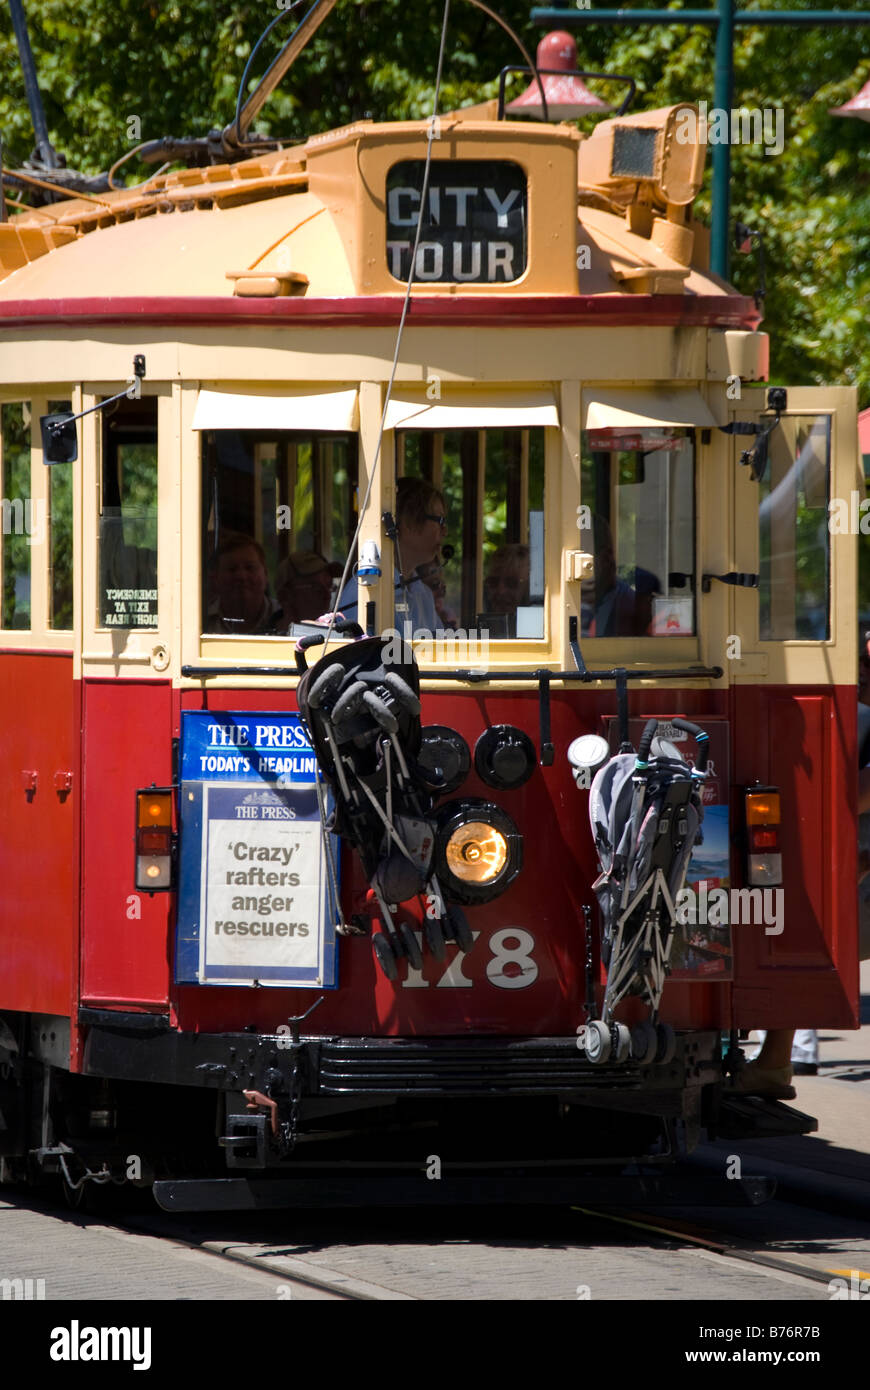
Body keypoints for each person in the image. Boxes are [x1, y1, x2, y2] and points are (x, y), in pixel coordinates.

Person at [337, 476, 445, 632]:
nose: (445, 531)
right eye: (440, 521)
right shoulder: (365, 592)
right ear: (409, 522)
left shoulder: (424, 595)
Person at [205, 534, 281, 635]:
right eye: (232, 569)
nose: (241, 576)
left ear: (265, 574)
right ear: (215, 578)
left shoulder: (284, 615)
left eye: (250, 568)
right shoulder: (200, 619)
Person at [276, 551, 342, 626]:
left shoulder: (339, 633)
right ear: (285, 596)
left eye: (330, 586)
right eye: (317, 589)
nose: (328, 596)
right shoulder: (266, 637)